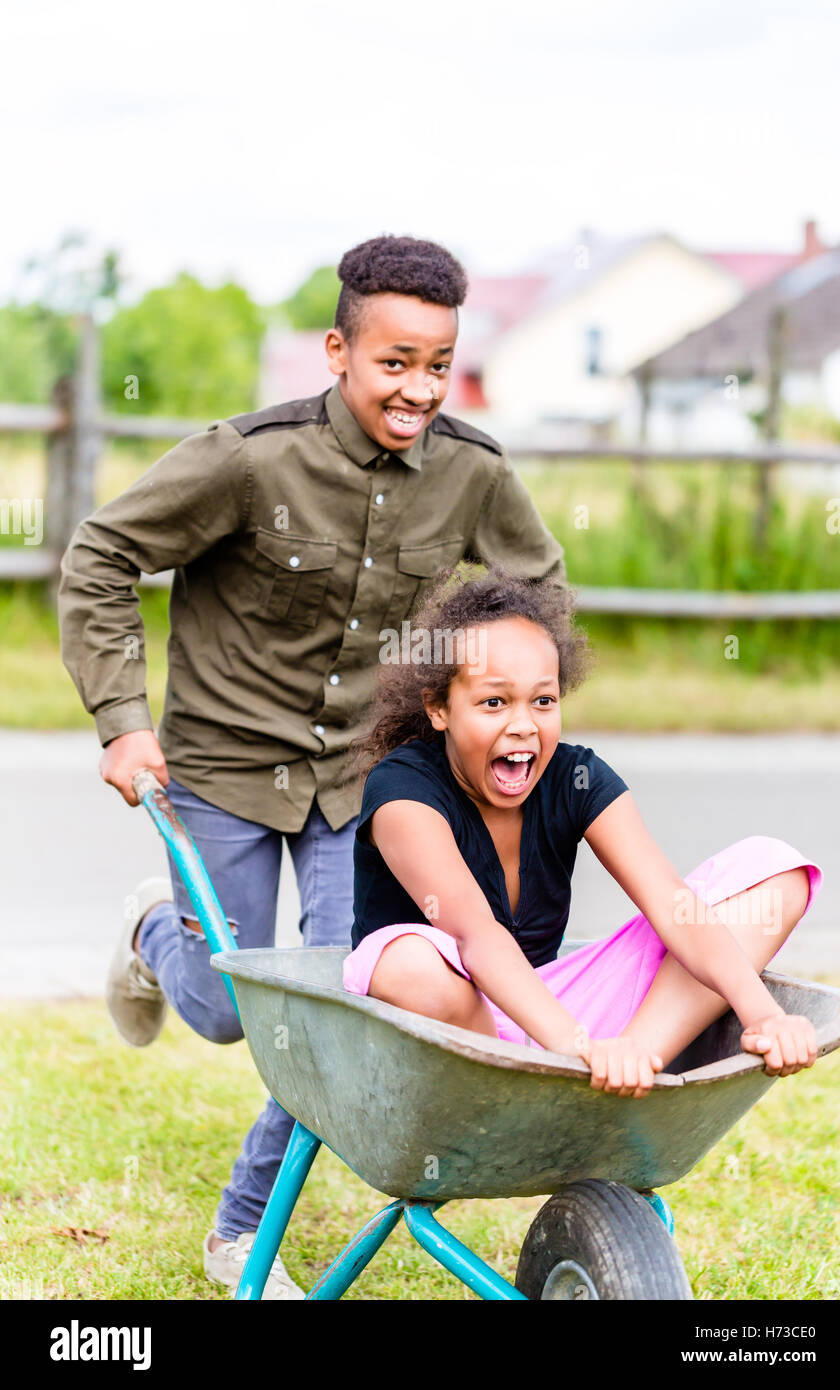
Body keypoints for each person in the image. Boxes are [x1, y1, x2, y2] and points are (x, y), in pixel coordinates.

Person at [57, 234, 570, 1298]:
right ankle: (158, 931)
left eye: (437, 364)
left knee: (342, 1004)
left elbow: (536, 598)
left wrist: (492, 727)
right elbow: (100, 555)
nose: (417, 387)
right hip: (224, 766)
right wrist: (118, 717)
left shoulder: (473, 474)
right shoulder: (246, 458)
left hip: (366, 786)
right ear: (337, 350)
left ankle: (243, 1227)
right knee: (223, 1006)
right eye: (394, 362)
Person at [342, 564, 823, 1094]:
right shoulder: (403, 790)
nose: (524, 724)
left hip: (554, 1012)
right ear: (439, 708)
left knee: (774, 871)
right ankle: (532, 1090)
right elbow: (476, 938)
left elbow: (673, 908)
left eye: (543, 701)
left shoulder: (576, 777)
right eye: (494, 702)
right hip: (446, 1023)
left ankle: (628, 1074)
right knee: (409, 961)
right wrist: (580, 1048)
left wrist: (762, 1014)